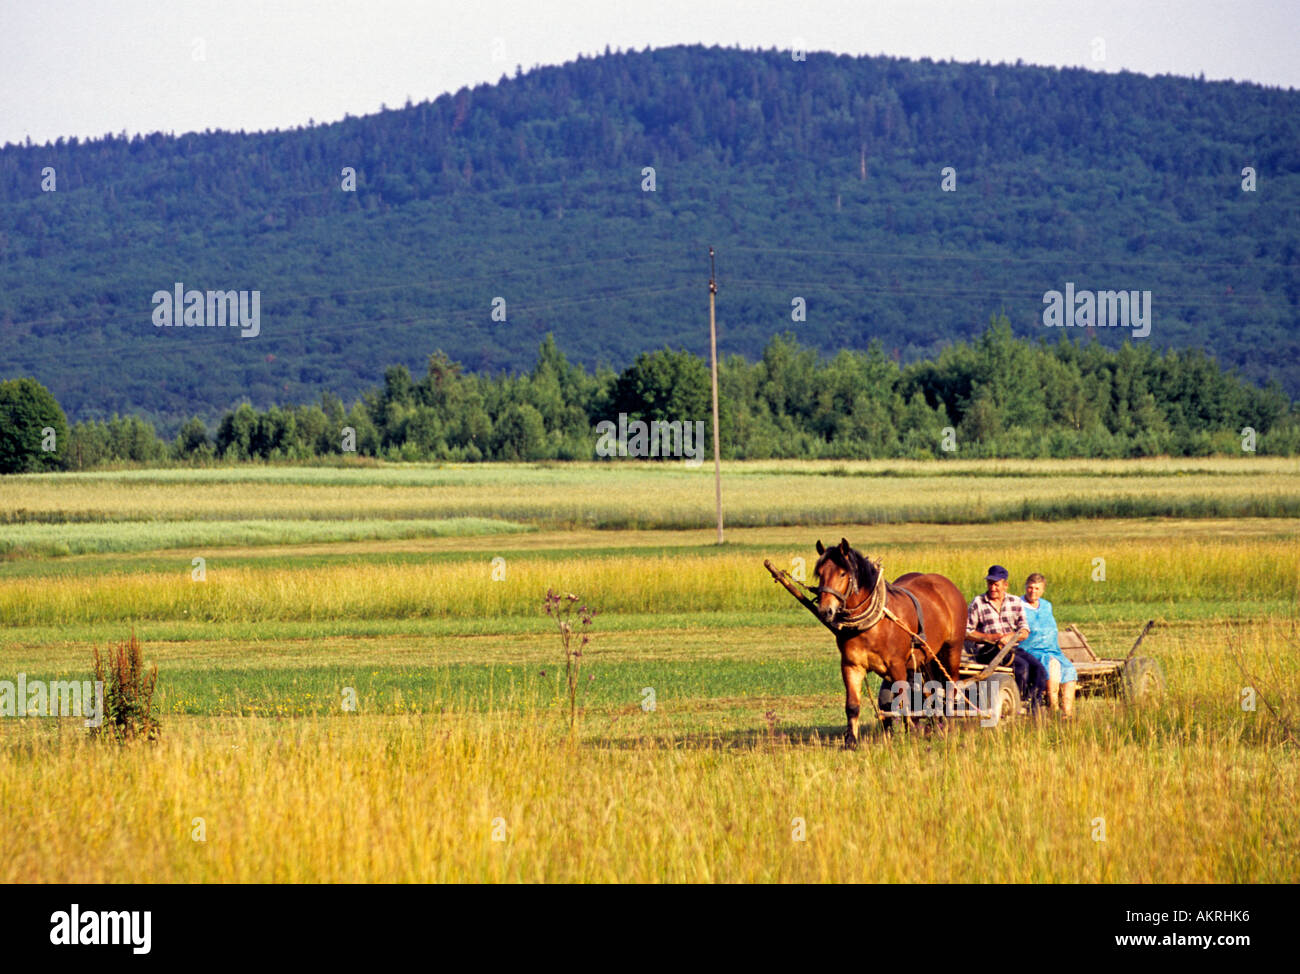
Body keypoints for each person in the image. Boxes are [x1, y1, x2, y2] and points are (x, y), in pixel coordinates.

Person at [965, 565, 1047, 711]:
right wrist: (989, 637)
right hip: (988, 650)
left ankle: (1034, 707)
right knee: (1022, 667)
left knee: (1040, 670)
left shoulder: (1015, 602)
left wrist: (1011, 637)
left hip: (1011, 648)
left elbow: (1024, 629)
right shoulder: (978, 602)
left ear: (1005, 585)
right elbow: (967, 631)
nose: (992, 588)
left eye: (996, 584)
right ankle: (1017, 703)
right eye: (990, 583)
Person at [1019, 573, 1078, 718]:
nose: (1033, 591)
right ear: (1026, 587)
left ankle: (1067, 712)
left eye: (1037, 589)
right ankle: (1054, 708)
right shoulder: (1019, 605)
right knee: (1053, 665)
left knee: (1069, 670)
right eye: (1030, 588)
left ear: (1043, 590)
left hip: (1052, 649)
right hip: (1031, 650)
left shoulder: (1046, 605)